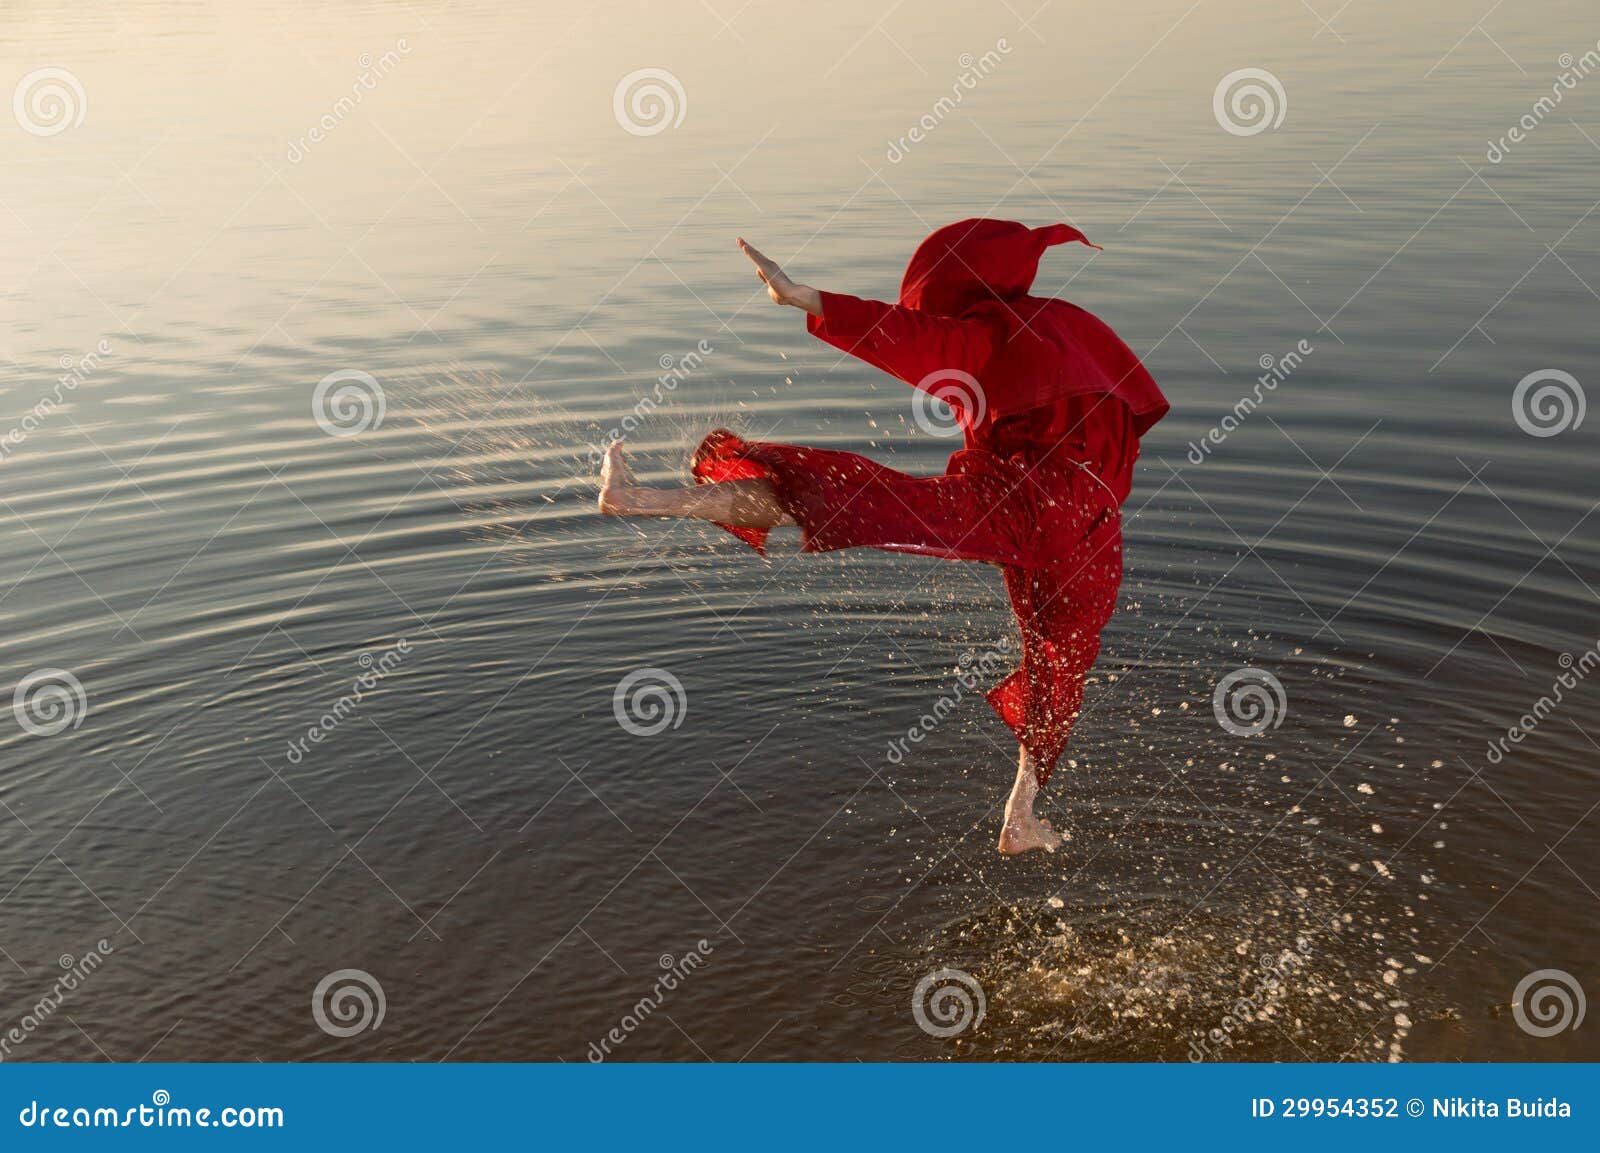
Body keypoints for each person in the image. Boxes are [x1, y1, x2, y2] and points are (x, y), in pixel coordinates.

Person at [599, 219, 1168, 854]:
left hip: (1026, 502)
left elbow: (909, 336)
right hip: (1092, 522)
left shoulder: (987, 331)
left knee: (853, 501)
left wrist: (805, 298)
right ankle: (1022, 812)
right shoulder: (1075, 327)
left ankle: (642, 499)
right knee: (1061, 657)